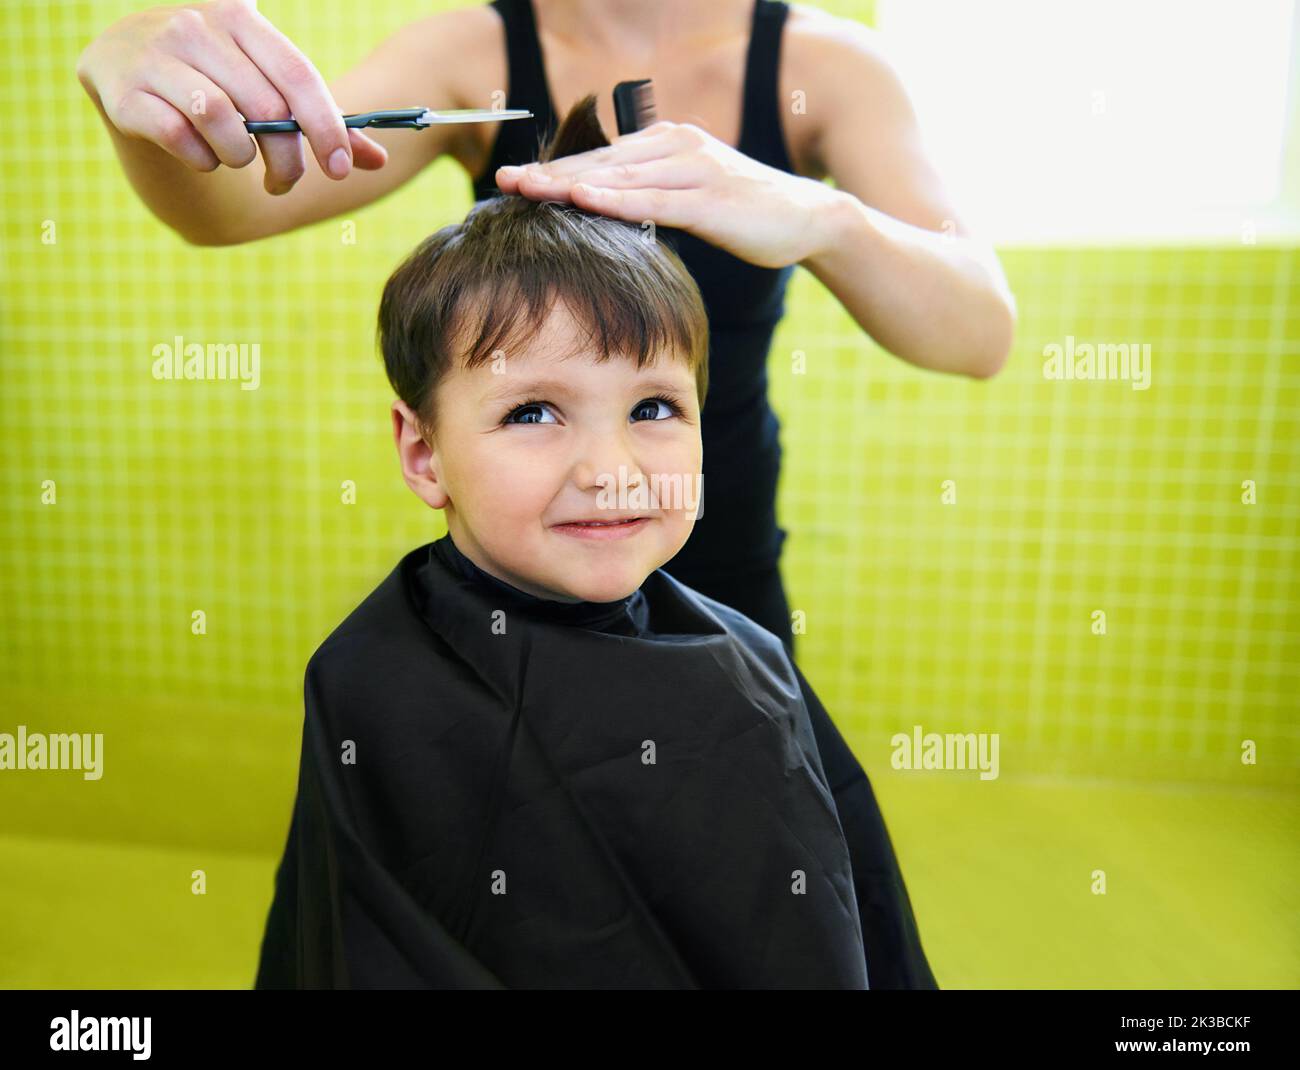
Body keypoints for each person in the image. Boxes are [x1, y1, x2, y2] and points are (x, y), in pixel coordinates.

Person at [76, 0, 1017, 655]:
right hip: (524, 577)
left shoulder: (827, 68)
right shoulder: (468, 56)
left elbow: (979, 331)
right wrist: (140, 84)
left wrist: (821, 219)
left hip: (716, 556)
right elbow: (226, 207)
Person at [252, 96, 936, 988]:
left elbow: (844, 929)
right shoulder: (370, 686)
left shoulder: (754, 665)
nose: (611, 470)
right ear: (424, 453)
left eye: (654, 408)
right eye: (531, 411)